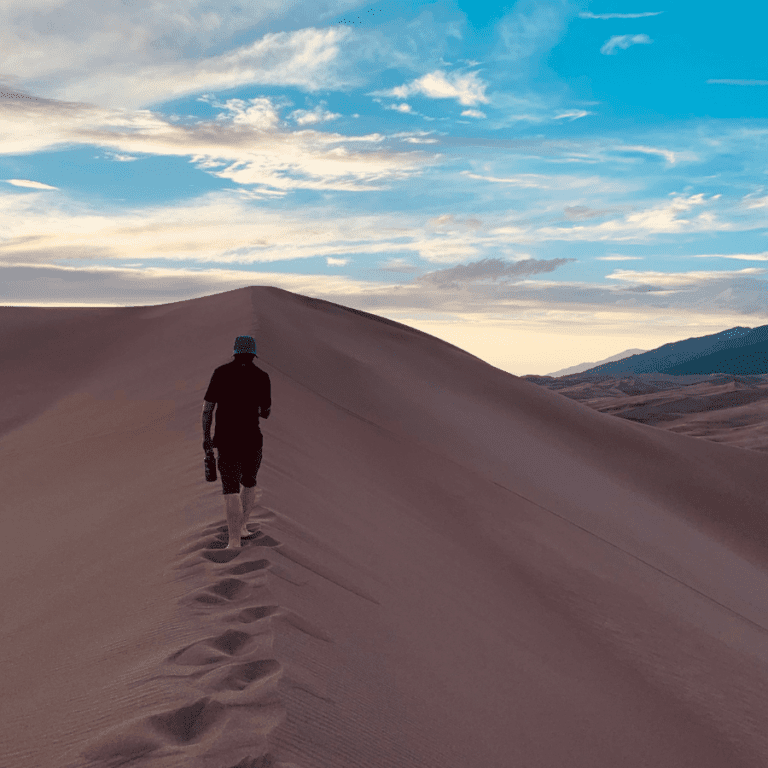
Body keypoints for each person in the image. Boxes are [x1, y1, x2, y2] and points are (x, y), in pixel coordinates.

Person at [202, 335, 271, 549]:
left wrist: (206, 438)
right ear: (253, 354)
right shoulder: (262, 376)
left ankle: (233, 541)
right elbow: (265, 412)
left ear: (234, 352)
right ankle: (242, 528)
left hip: (226, 440)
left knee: (230, 489)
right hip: (252, 440)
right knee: (249, 483)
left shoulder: (220, 373)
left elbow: (207, 410)